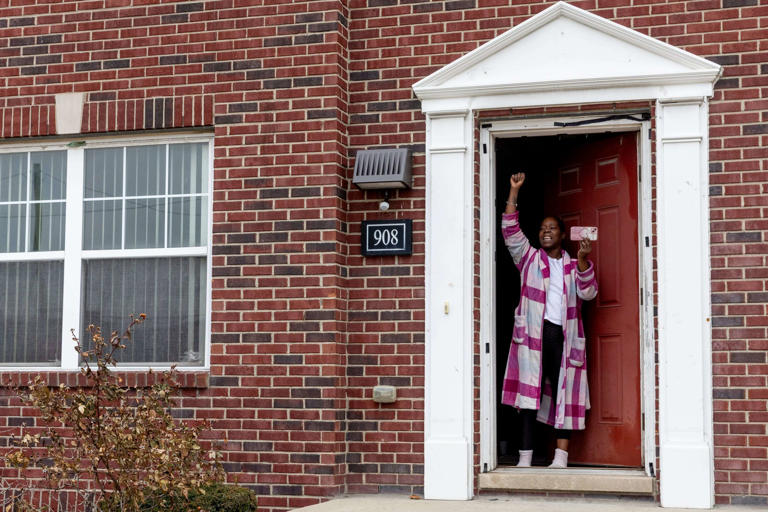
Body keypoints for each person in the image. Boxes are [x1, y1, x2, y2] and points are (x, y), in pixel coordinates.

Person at [500, 172, 598, 469]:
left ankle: (560, 458)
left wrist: (582, 262)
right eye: (542, 228)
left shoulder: (572, 265)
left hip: (561, 338)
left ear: (562, 234)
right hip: (532, 336)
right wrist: (513, 191)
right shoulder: (528, 258)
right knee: (528, 396)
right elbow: (510, 231)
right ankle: (525, 456)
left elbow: (589, 292)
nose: (545, 232)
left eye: (552, 228)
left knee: (562, 393)